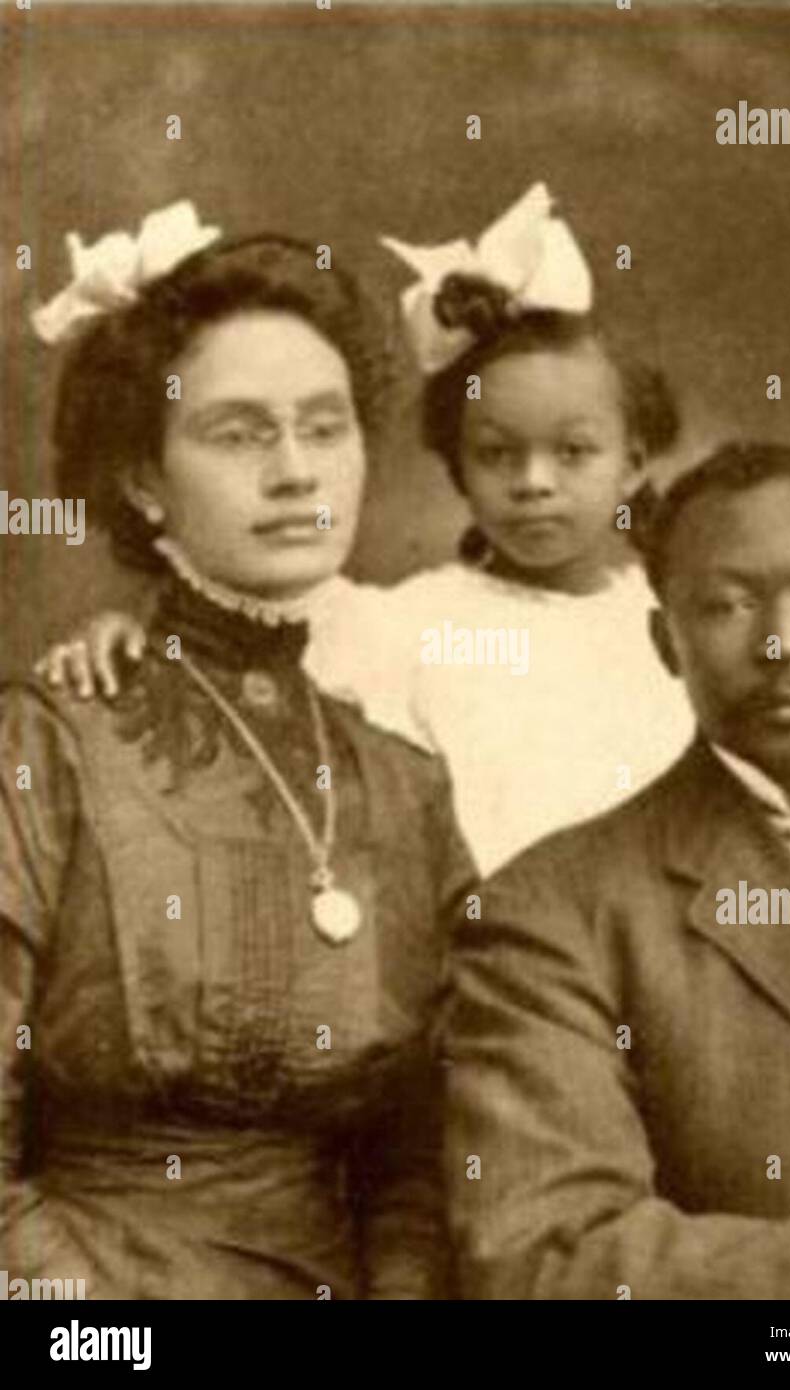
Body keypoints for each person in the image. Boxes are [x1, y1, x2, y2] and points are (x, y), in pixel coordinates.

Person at [0, 202, 473, 1300]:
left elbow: (416, 1155)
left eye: (325, 424)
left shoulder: (397, 784)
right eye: (238, 432)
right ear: (142, 478)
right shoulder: (49, 741)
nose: (297, 471)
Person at [36, 184, 696, 876]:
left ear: (634, 462)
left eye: (574, 452)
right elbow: (241, 631)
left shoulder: (668, 625)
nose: (535, 482)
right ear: (458, 466)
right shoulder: (400, 624)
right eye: (499, 454)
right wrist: (131, 634)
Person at [443, 441, 790, 1300]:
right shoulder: (551, 914)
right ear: (664, 641)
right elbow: (554, 1260)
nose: (787, 644)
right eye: (726, 605)